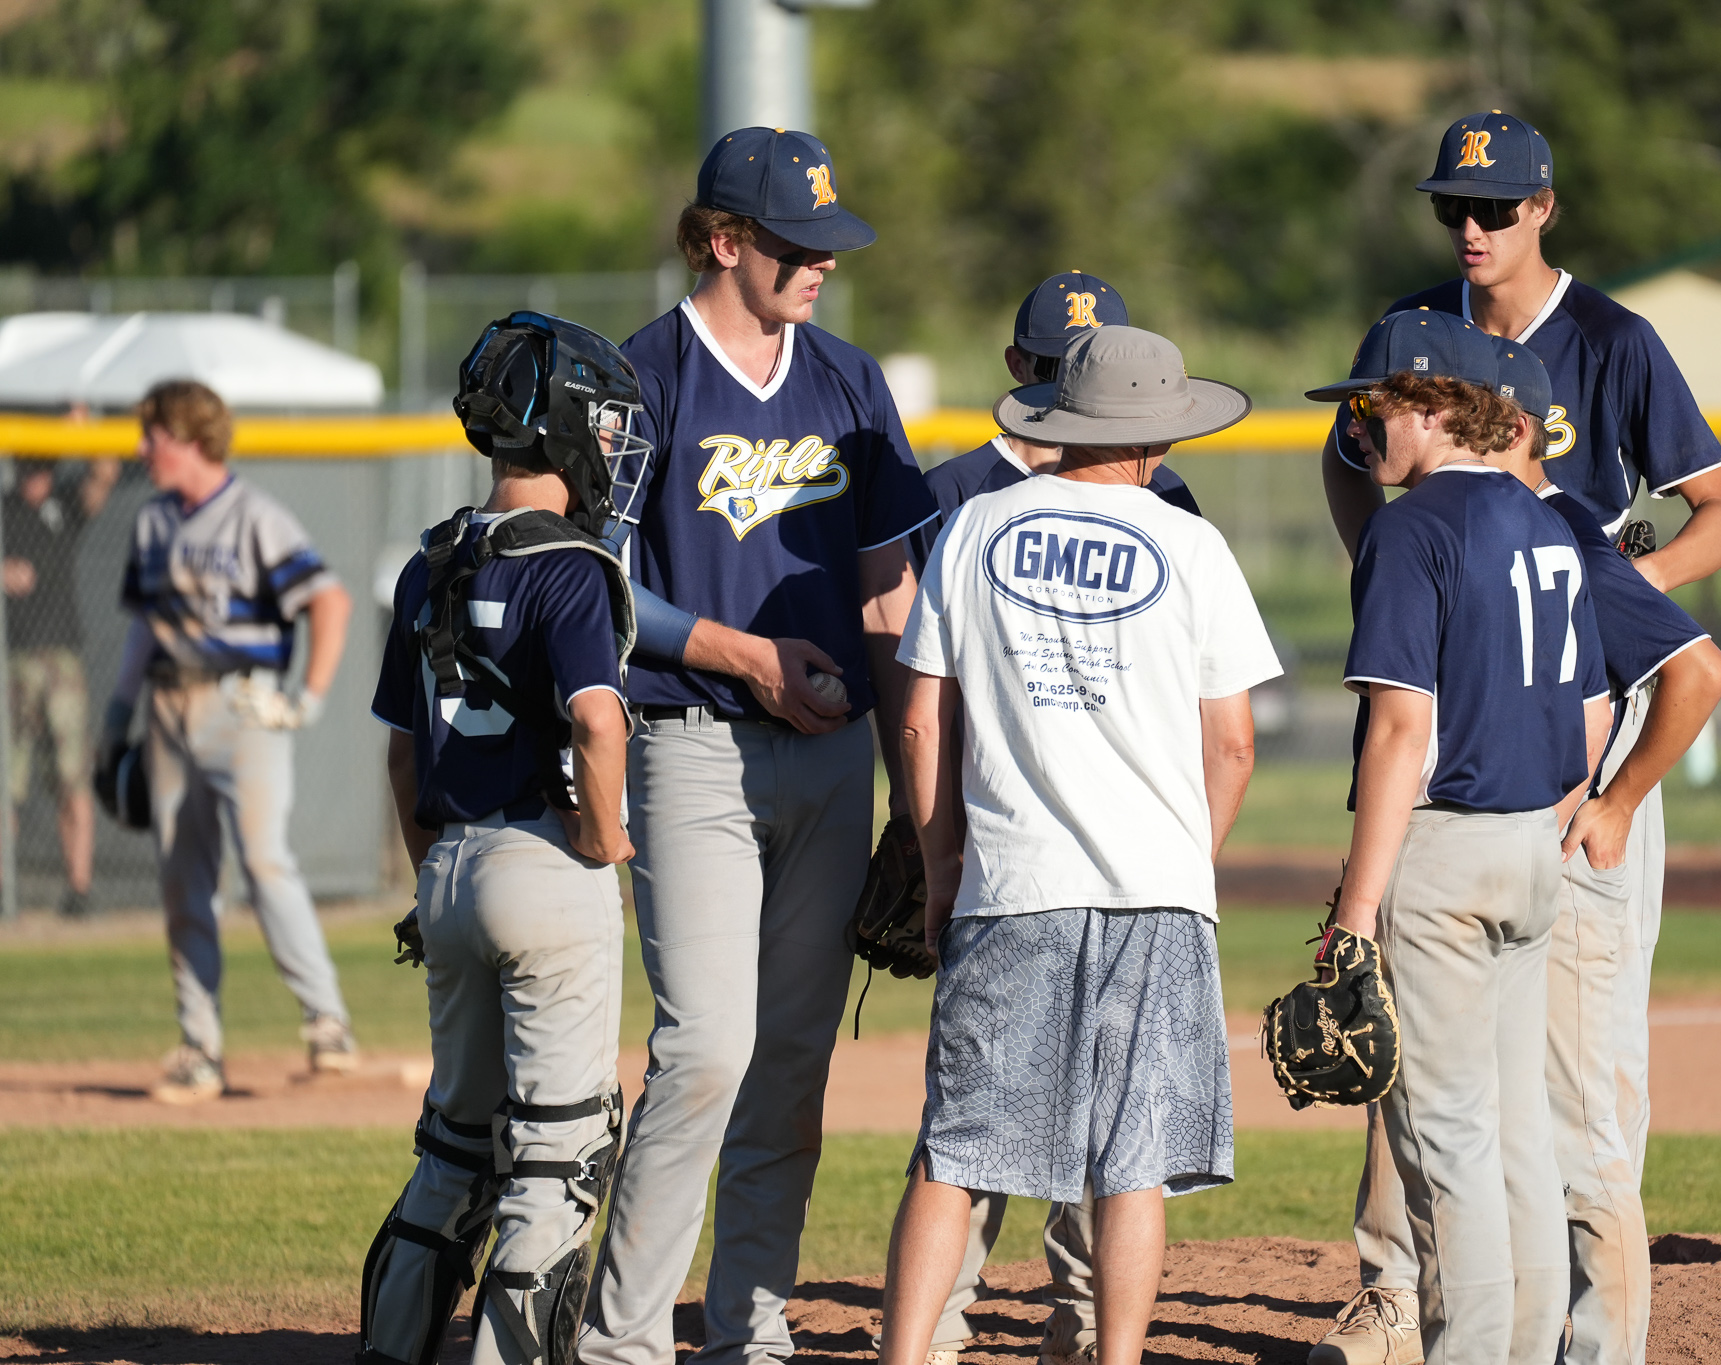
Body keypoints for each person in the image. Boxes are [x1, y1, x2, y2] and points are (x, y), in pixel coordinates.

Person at [1311, 112, 1721, 1365]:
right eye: (1454, 203)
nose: (1470, 226)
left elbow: (1717, 514)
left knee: (1566, 1080)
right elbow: (1352, 470)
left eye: (1495, 207)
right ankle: (1398, 1302)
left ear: (1543, 209)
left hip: (1586, 746)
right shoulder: (1409, 341)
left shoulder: (1611, 342)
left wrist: (1600, 587)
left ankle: (1593, 1341)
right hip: (1478, 744)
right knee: (1440, 1066)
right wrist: (1418, 584)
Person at [581, 127, 940, 1365]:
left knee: (788, 1062)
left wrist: (912, 780)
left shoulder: (847, 380)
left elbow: (889, 589)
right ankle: (620, 1337)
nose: (821, 265)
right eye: (796, 244)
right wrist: (746, 657)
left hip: (836, 758)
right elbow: (601, 589)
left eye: (831, 244)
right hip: (691, 746)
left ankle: (748, 1327)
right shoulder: (643, 378)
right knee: (704, 1050)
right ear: (723, 241)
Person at [879, 324, 1279, 1365]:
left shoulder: (974, 528)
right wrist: (1186, 858)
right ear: (1156, 439)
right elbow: (1229, 745)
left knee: (955, 1153)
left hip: (1012, 881)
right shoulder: (1190, 544)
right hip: (1156, 888)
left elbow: (922, 719)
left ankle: (903, 1357)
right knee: (1130, 1161)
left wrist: (937, 864)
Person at [1305, 310, 1608, 1365]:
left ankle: (1469, 1352)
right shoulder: (1548, 520)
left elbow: (1398, 732)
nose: (1357, 429)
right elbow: (1580, 720)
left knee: (1446, 1137)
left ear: (1433, 405)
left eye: (1370, 404)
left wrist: (1352, 911)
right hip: (1533, 842)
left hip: (1440, 849)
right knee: (1518, 1126)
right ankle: (1530, 1348)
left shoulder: (1413, 527)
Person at [354, 313, 643, 1365]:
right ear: (561, 430)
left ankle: (391, 1350)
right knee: (555, 1159)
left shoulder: (430, 560)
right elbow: (599, 722)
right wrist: (606, 842)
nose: (611, 447)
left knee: (452, 1149)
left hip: (450, 862)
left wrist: (430, 865)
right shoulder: (570, 565)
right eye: (601, 425)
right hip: (539, 864)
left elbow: (399, 756)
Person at [1487, 339, 1721, 1364]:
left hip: (1568, 863)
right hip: (1496, 859)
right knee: (1513, 1133)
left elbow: (1699, 670)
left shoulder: (1566, 540)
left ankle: (1602, 1351)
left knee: (1583, 1136)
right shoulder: (1474, 530)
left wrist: (1617, 802)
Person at [104, 379, 356, 1105]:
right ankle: (199, 1046)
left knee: (264, 860)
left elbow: (328, 600)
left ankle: (326, 1019)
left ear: (190, 438)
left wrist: (304, 700)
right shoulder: (152, 522)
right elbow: (143, 629)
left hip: (240, 705)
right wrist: (116, 718)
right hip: (168, 705)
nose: (143, 448)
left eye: (154, 434)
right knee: (181, 875)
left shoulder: (254, 515)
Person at [910, 272, 1199, 577]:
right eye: (1061, 368)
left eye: (1100, 370)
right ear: (1017, 365)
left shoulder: (1162, 487)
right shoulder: (953, 489)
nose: (1079, 383)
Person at [5, 453, 119, 916]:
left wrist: (85, 425)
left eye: (46, 465)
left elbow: (104, 475)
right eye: (32, 464)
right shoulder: (4, 509)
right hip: (10, 656)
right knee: (6, 777)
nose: (39, 474)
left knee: (73, 775)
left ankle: (79, 887)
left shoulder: (65, 504)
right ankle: (4, 892)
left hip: (62, 658)